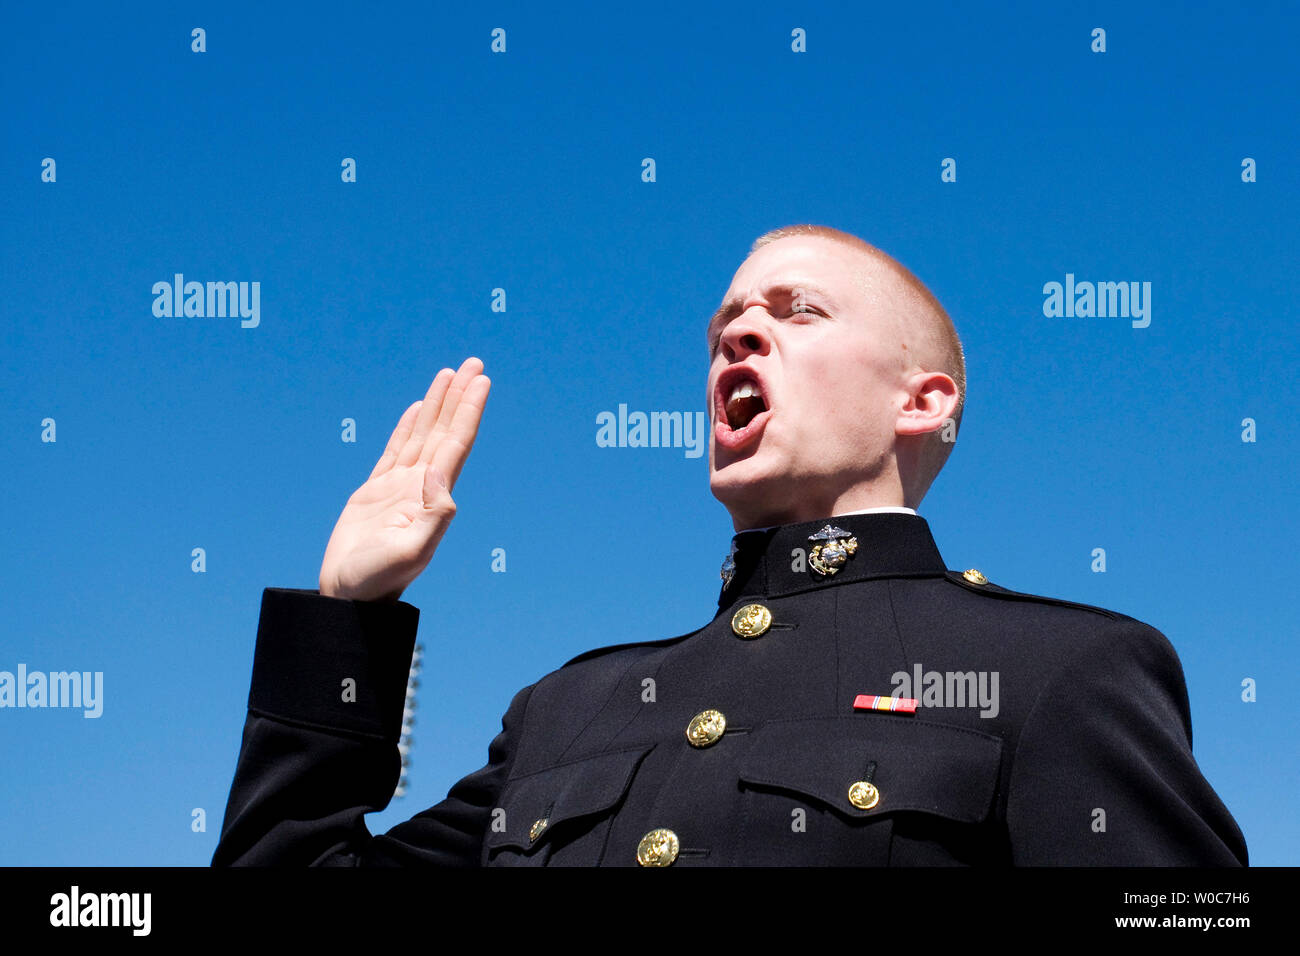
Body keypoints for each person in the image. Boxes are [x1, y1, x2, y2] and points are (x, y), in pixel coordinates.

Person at [211, 224, 1248, 866]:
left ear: (921, 400)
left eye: (796, 312)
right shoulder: (566, 712)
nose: (738, 334)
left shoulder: (1057, 670)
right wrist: (347, 616)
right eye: (725, 325)